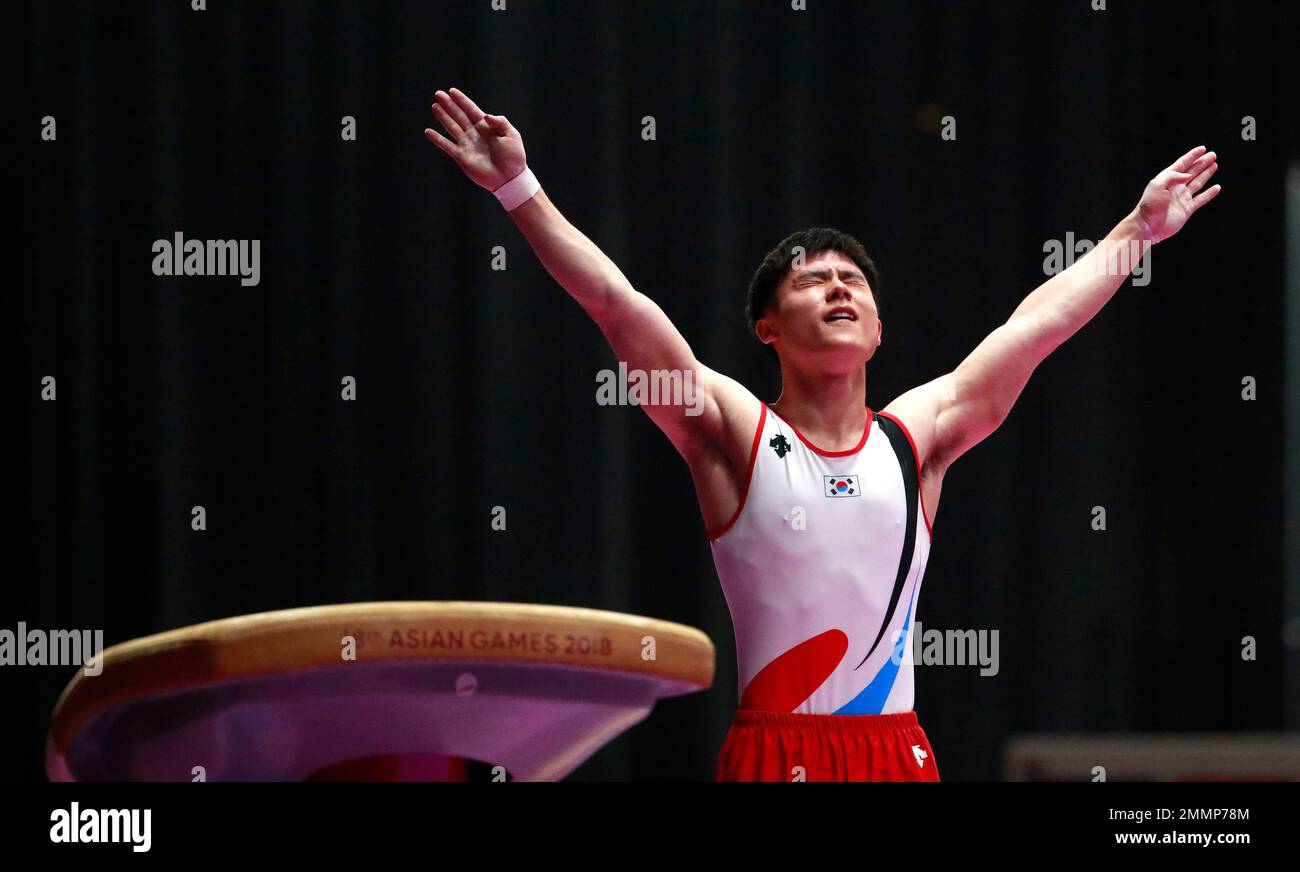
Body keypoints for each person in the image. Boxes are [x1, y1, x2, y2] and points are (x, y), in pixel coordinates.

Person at [424, 86, 1222, 781]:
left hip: (895, 754)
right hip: (777, 753)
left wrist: (1135, 234)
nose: (838, 286)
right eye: (812, 278)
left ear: (879, 328)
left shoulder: (919, 437)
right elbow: (617, 304)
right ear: (767, 327)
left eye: (854, 280)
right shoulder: (730, 429)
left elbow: (1037, 324)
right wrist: (518, 188)